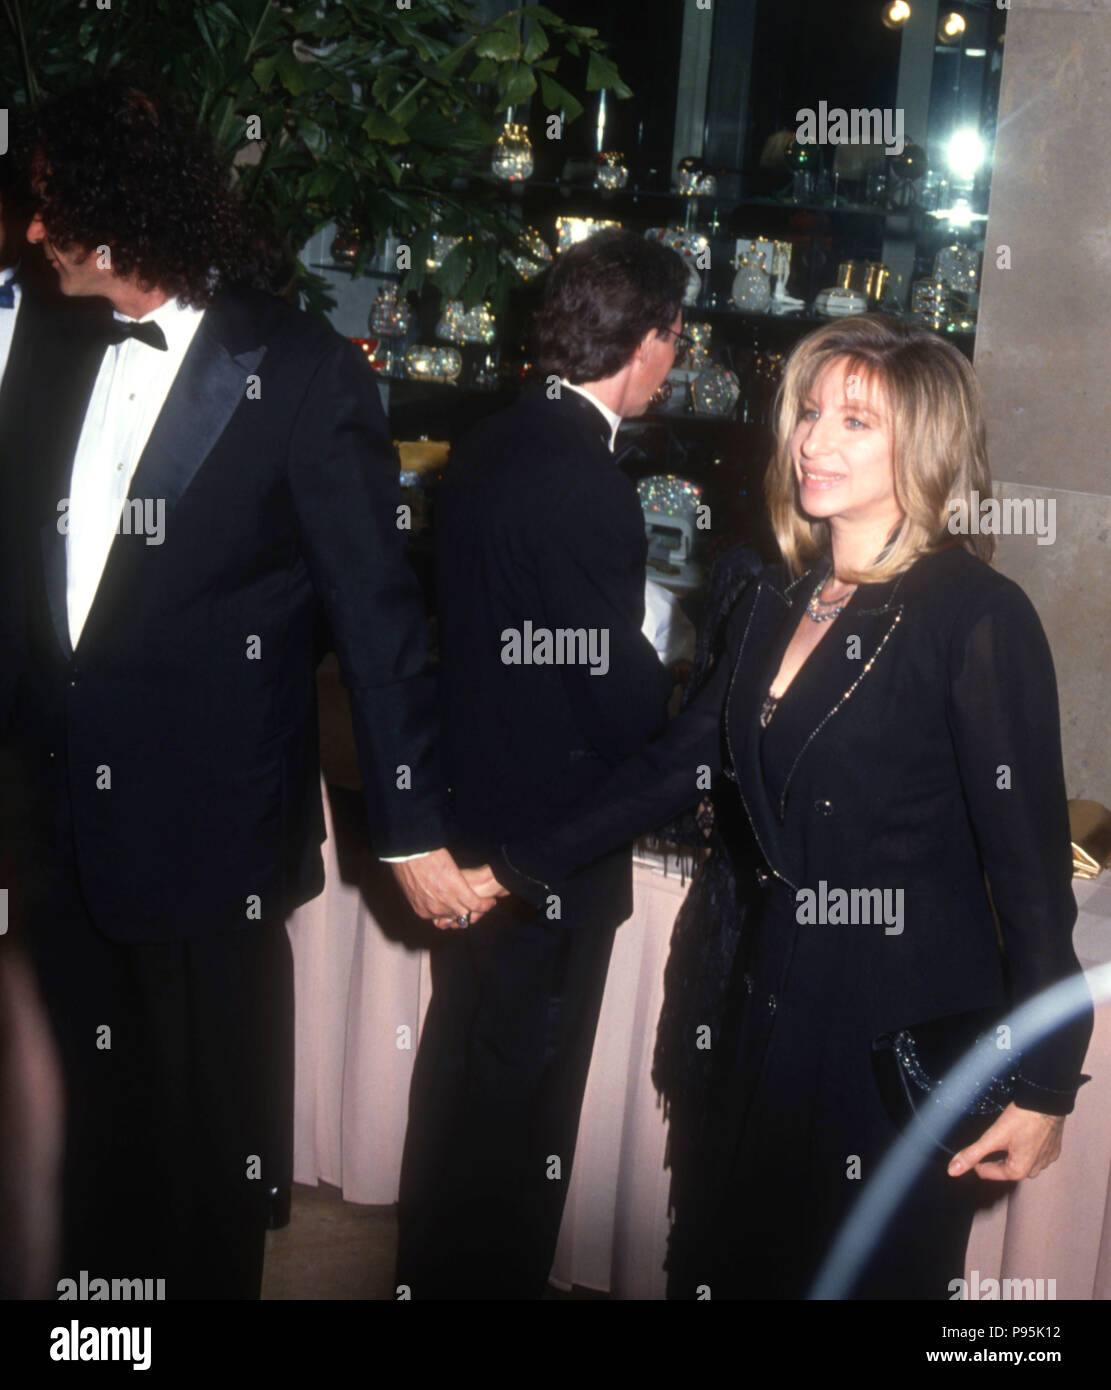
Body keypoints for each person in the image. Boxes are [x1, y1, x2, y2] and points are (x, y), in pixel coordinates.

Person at [2, 77, 496, 1300]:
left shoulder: (303, 370)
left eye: (49, 204)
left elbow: (375, 615)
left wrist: (413, 818)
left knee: (200, 1163)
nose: (26, 227)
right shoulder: (50, 342)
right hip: (61, 832)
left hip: (209, 836)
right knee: (78, 1154)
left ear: (115, 207)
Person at [488, 313, 1093, 1298]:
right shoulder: (777, 594)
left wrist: (1044, 1085)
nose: (813, 440)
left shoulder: (975, 616)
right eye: (810, 413)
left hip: (894, 1021)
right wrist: (511, 865)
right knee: (729, 1256)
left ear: (924, 444)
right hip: (759, 996)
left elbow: (1030, 879)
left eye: (855, 421)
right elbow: (679, 762)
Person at [395, 229, 686, 1298]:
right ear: (644, 342)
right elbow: (609, 693)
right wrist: (689, 701)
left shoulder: (494, 440)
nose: (678, 358)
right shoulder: (586, 481)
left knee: (464, 1076)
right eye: (674, 336)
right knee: (524, 1115)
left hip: (477, 811)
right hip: (551, 844)